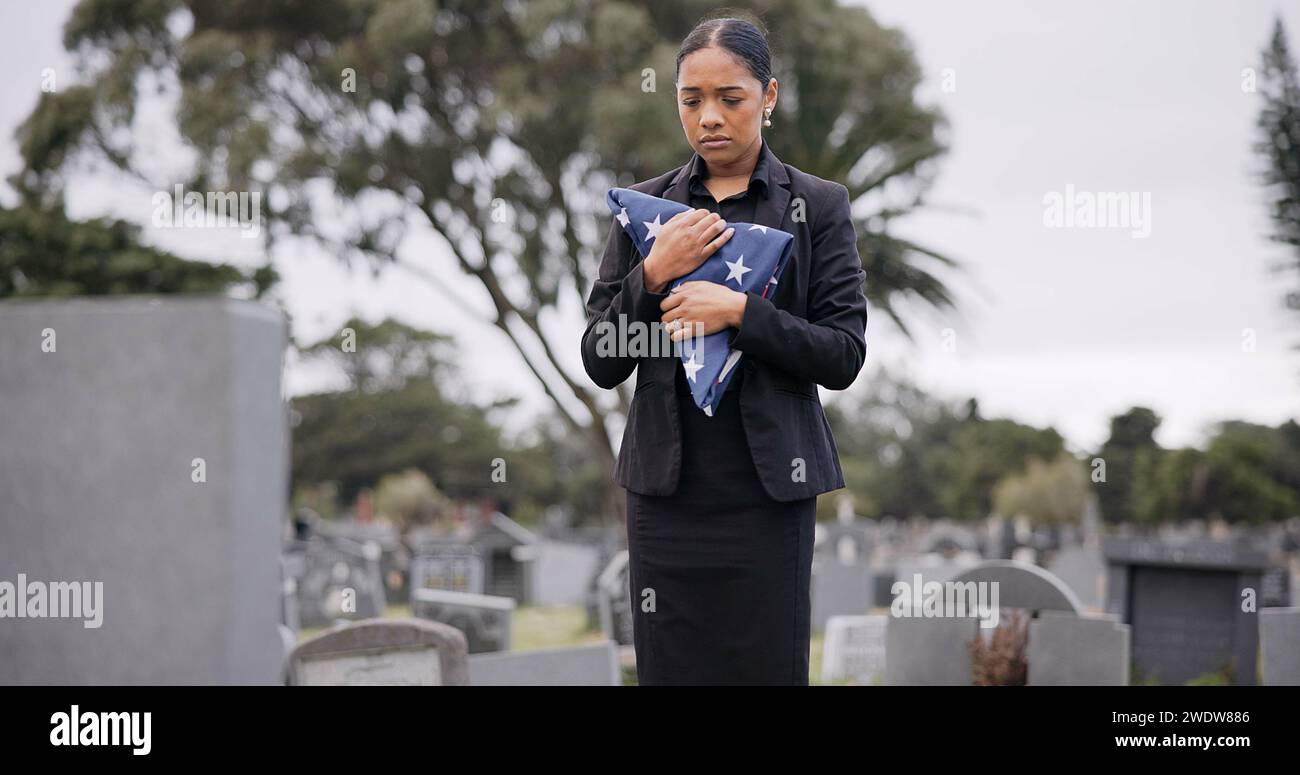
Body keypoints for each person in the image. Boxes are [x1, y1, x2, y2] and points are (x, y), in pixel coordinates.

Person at [580, 13, 868, 685]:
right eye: (691, 99)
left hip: (771, 497)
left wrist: (742, 311)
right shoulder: (643, 211)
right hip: (665, 497)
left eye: (729, 98)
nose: (709, 116)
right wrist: (653, 273)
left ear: (768, 97)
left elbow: (842, 353)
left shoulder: (819, 206)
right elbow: (602, 354)